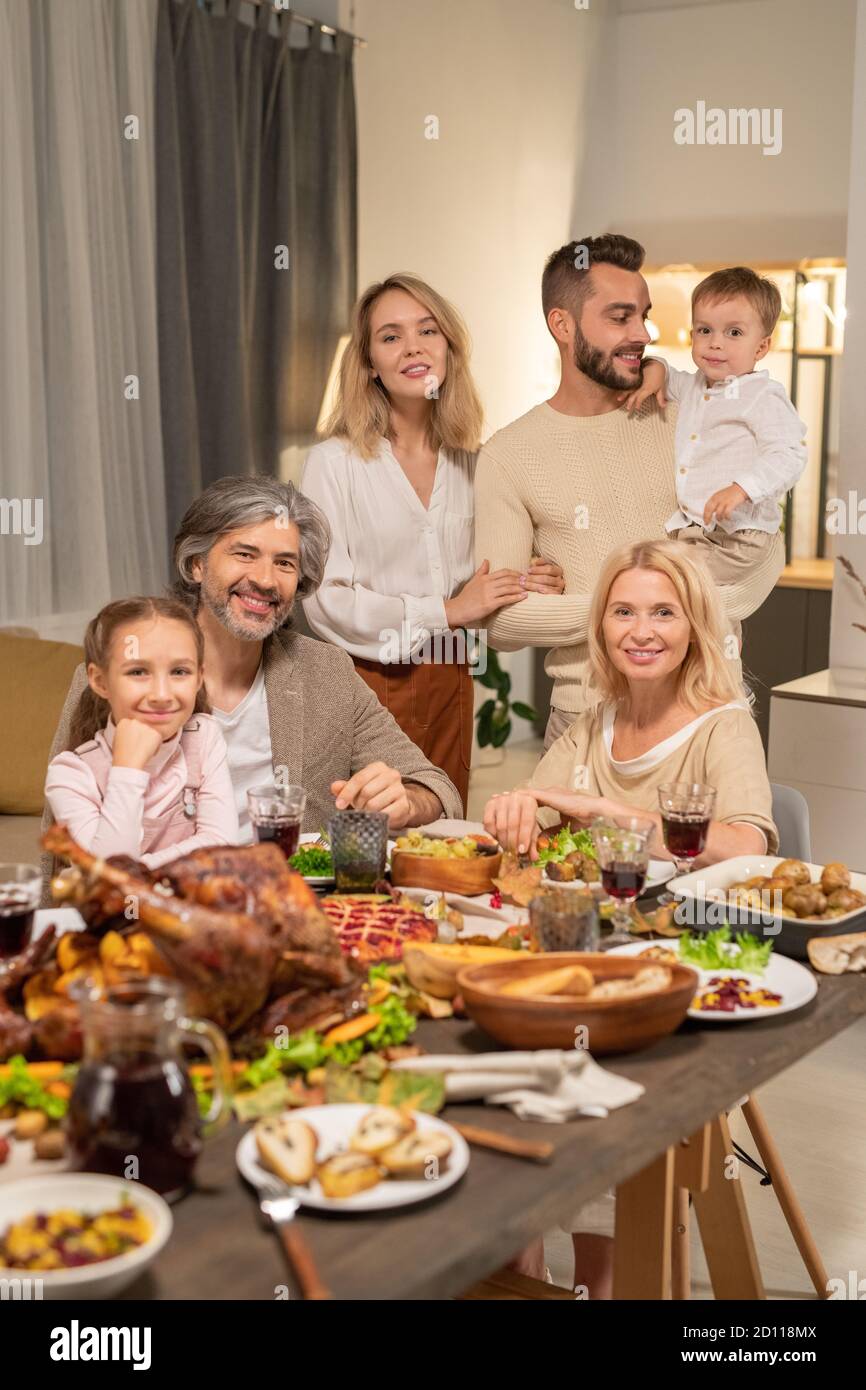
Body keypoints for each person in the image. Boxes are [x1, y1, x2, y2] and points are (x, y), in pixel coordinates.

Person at [484, 540, 779, 1296]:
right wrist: (520, 808)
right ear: (602, 626)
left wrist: (614, 816)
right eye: (623, 611)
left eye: (662, 611)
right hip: (586, 954)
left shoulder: (724, 726)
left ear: (693, 626)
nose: (640, 630)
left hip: (681, 969)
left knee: (592, 1073)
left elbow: (746, 847)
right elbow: (547, 815)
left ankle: (596, 1278)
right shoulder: (595, 719)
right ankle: (515, 1254)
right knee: (500, 1045)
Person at [42, 476, 463, 890]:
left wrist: (405, 802)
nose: (265, 579)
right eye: (245, 554)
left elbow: (438, 788)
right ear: (196, 564)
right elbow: (60, 846)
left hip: (290, 910)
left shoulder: (327, 671)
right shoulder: (122, 675)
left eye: (284, 563)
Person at [473, 234, 786, 751]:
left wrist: (596, 605)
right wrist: (641, 607)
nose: (643, 333)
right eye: (621, 317)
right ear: (562, 324)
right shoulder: (509, 455)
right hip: (583, 724)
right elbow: (501, 622)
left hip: (707, 716)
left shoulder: (690, 412)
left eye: (644, 315)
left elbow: (764, 558)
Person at [300, 272, 564, 812]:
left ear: (449, 349)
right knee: (364, 842)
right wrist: (446, 611)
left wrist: (530, 577)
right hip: (365, 680)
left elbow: (489, 574)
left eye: (428, 330)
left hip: (451, 675)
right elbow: (326, 599)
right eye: (391, 336)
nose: (413, 347)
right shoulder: (333, 464)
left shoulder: (479, 462)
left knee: (442, 837)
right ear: (369, 362)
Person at [621, 266, 806, 592]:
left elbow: (789, 454)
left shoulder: (762, 394)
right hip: (694, 530)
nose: (715, 343)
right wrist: (654, 371)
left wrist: (741, 488)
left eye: (734, 333)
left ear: (761, 348)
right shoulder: (692, 385)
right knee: (658, 576)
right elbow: (661, 366)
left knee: (666, 583)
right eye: (704, 330)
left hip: (738, 537)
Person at [45, 597, 238, 869]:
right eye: (138, 672)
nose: (161, 694)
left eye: (179, 671)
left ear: (198, 678)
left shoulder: (203, 737)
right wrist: (127, 770)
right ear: (100, 681)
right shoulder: (72, 773)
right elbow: (108, 878)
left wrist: (140, 870)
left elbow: (222, 844)